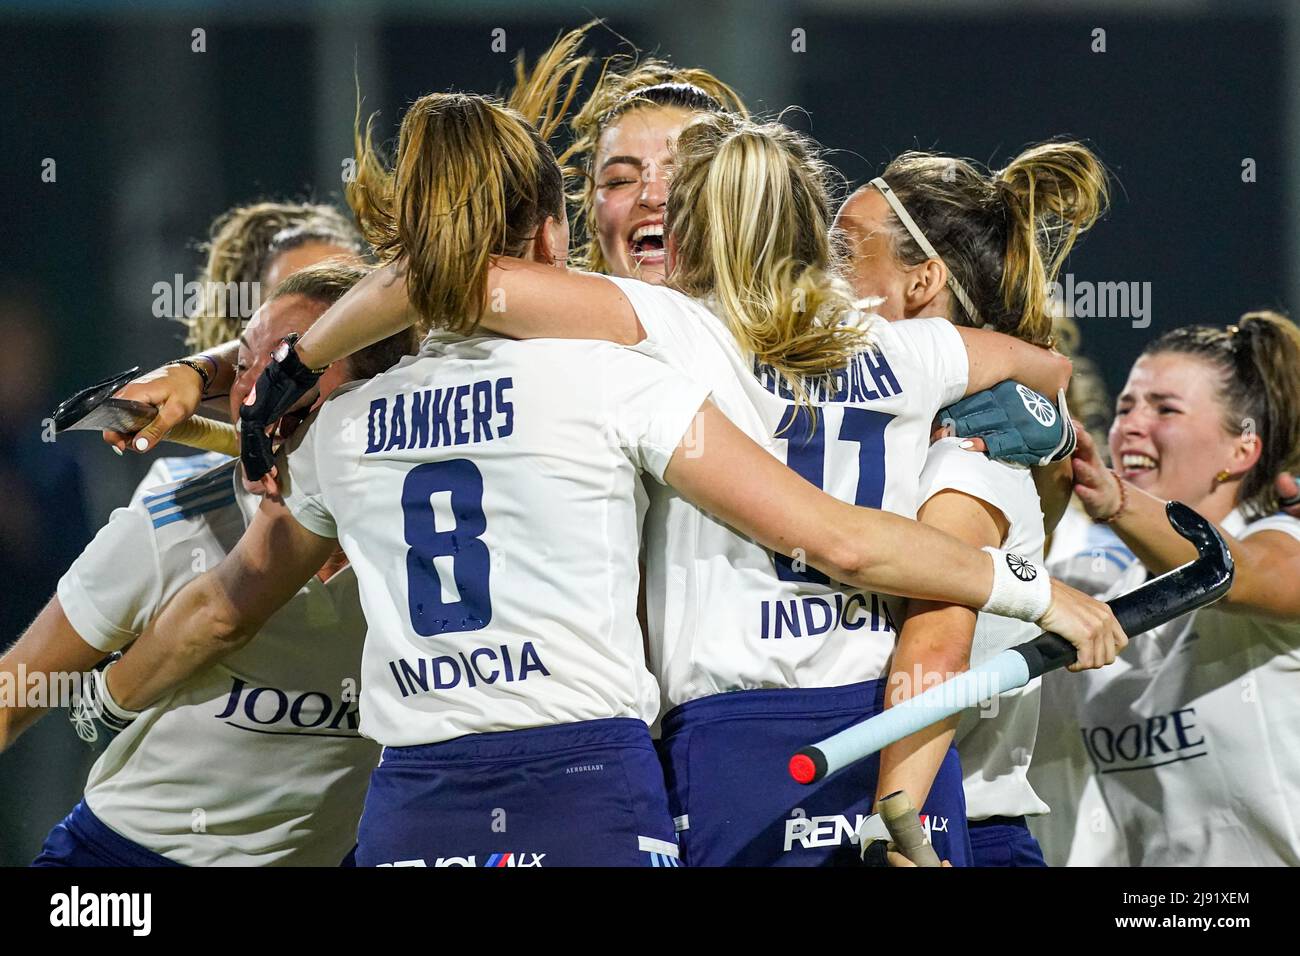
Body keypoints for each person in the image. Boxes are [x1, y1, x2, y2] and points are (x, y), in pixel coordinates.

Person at [0, 262, 411, 866]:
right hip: (125, 862)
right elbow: (11, 694)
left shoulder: (422, 543)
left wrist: (116, 692)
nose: (250, 395)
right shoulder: (176, 524)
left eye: (285, 368)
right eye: (242, 368)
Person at [836, 142, 1110, 866]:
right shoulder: (913, 434)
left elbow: (936, 647)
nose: (819, 274)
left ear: (922, 279)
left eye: (845, 250)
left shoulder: (971, 449)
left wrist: (894, 831)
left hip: (957, 832)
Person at [1033, 311, 1300, 865]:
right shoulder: (1108, 590)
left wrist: (1116, 503)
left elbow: (1232, 572)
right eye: (1127, 405)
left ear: (1240, 451)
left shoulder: (1282, 541)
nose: (1132, 424)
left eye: (1165, 409)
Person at [107, 200, 365, 486]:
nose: (343, 331)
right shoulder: (172, 506)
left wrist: (199, 370)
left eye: (357, 298)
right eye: (298, 329)